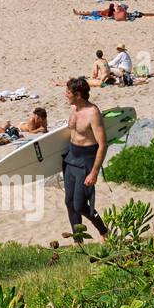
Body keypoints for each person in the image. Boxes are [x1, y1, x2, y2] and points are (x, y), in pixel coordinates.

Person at [62, 76, 108, 239]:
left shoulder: (93, 113)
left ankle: (103, 231)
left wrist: (94, 172)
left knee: (80, 205)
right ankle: (78, 240)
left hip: (86, 161)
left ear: (78, 95)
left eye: (68, 92)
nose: (65, 95)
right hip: (70, 158)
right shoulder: (74, 108)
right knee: (69, 202)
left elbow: (103, 144)